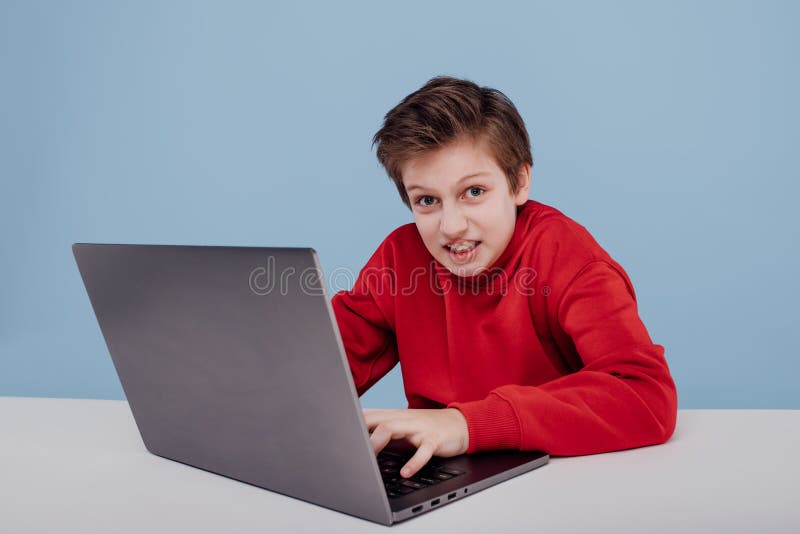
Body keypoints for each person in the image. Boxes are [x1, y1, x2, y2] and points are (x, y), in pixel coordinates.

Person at [331, 76, 677, 480]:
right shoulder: (400, 260)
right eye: (427, 201)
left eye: (473, 192)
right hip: (440, 475)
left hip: (555, 478)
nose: (451, 225)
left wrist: (466, 424)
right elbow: (321, 366)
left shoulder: (565, 257)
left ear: (520, 182)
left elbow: (647, 396)